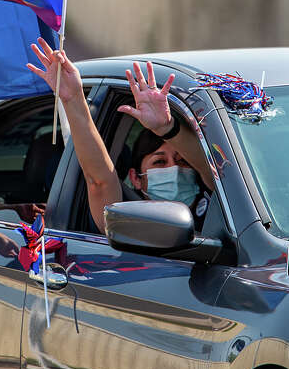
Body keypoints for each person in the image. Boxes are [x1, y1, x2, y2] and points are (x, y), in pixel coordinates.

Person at [26, 37, 213, 232]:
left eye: (183, 161)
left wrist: (168, 128)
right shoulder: (125, 222)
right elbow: (100, 181)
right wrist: (74, 99)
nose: (174, 169)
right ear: (135, 178)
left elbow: (213, 170)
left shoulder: (223, 206)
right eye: (159, 162)